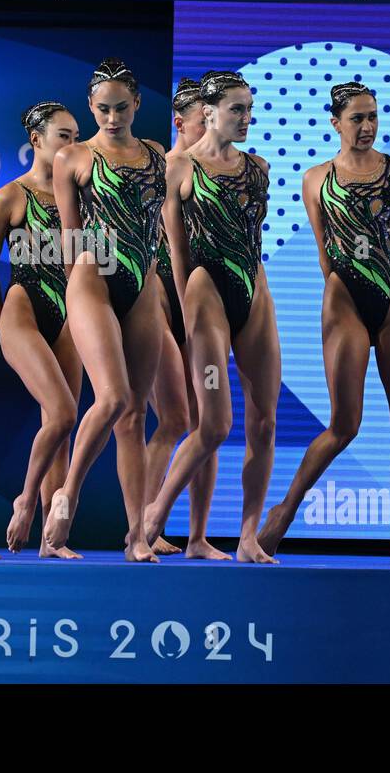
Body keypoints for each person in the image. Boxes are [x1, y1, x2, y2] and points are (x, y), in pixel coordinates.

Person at [257, 81, 390, 565]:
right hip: (345, 302)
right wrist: (347, 292)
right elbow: (323, 252)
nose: (368, 126)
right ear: (336, 123)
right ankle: (285, 511)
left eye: (373, 115)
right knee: (344, 425)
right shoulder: (315, 179)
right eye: (357, 118)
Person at [142, 70, 279, 563]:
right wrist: (184, 314)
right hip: (203, 294)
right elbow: (177, 251)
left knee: (263, 423)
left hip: (254, 290)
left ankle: (247, 539)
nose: (246, 118)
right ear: (209, 113)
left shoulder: (258, 168)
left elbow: (250, 239)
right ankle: (155, 513)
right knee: (216, 424)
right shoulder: (176, 168)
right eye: (236, 109)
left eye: (249, 109)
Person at [42, 58, 167, 562]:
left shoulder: (159, 155)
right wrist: (79, 297)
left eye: (121, 108)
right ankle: (66, 494)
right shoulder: (72, 158)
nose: (112, 117)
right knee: (112, 397)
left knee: (135, 416)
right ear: (91, 107)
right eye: (102, 109)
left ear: (137, 104)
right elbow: (70, 238)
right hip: (92, 277)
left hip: (144, 282)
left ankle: (136, 535)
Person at [0, 101, 84, 558]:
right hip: (24, 307)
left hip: (69, 314)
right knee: (62, 413)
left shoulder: (82, 197)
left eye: (77, 135)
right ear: (37, 140)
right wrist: (2, 322)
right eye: (64, 135)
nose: (73, 144)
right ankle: (24, 502)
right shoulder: (12, 196)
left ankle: (51, 539)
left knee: (60, 428)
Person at [143, 77, 230, 559]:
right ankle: (143, 527)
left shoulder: (220, 171)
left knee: (206, 421)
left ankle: (197, 537)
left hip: (201, 306)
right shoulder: (160, 169)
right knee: (175, 418)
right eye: (204, 120)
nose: (213, 127)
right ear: (181, 123)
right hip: (158, 302)